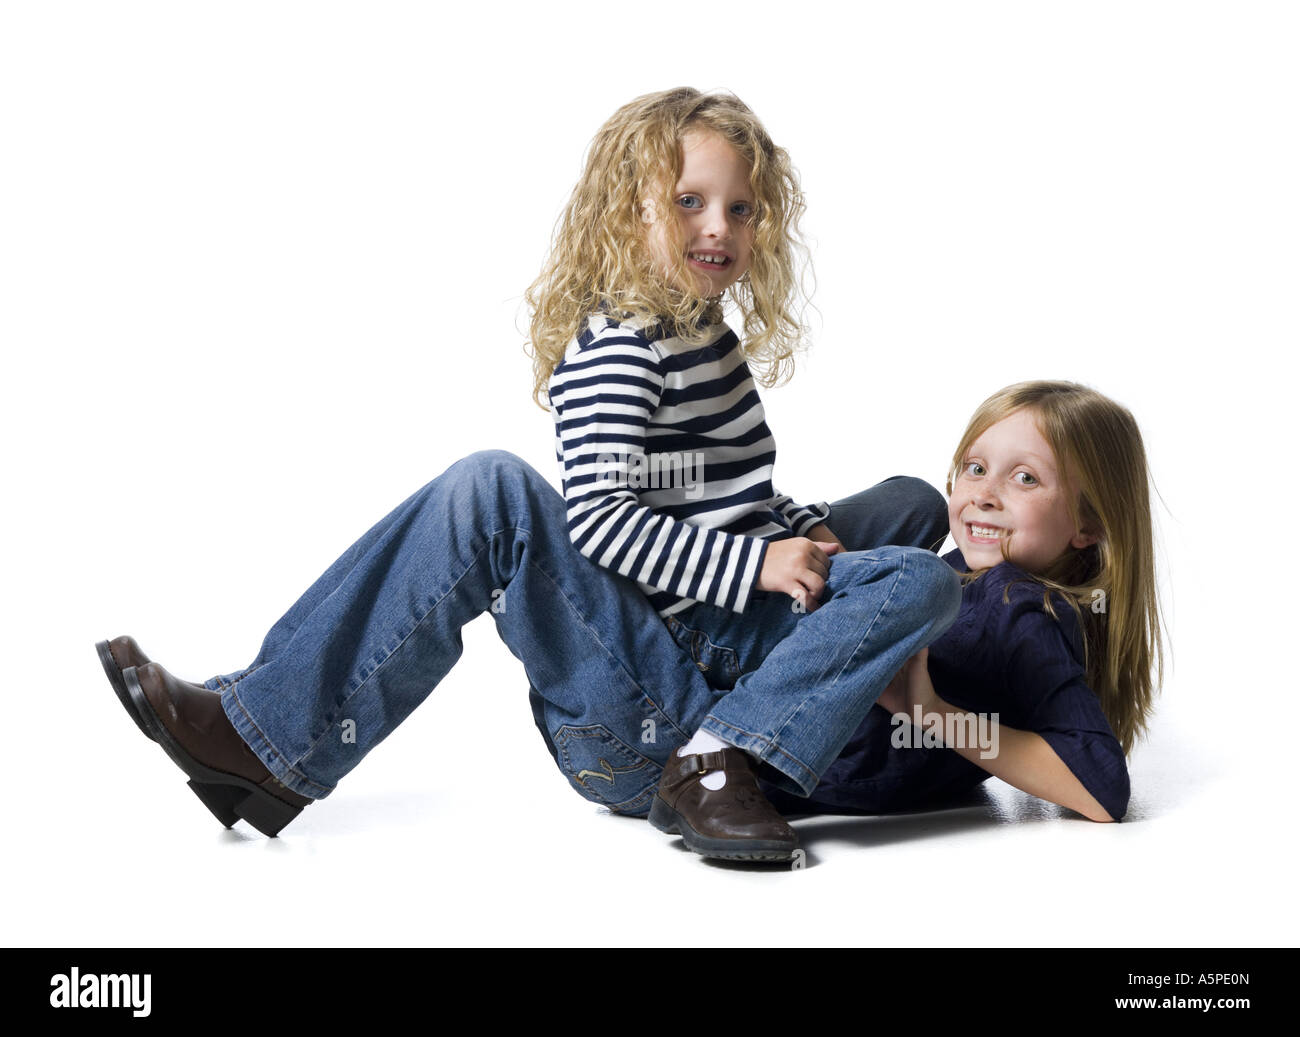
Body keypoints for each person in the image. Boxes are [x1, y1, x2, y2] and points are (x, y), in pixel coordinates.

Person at [97, 87, 961, 861]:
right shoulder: (623, 348)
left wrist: (799, 526)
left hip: (728, 640)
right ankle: (265, 735)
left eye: (740, 210)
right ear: (627, 216)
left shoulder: (707, 339)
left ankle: (771, 729)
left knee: (909, 506)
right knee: (493, 490)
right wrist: (758, 566)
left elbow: (716, 490)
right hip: (650, 694)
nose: (719, 228)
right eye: (689, 202)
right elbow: (602, 522)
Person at [759, 381, 1163, 824]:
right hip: (781, 709)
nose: (984, 495)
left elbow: (1101, 789)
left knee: (677, 560)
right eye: (975, 468)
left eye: (1025, 478)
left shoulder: (1021, 606)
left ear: (1089, 522)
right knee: (912, 501)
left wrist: (931, 713)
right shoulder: (971, 571)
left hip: (770, 750)